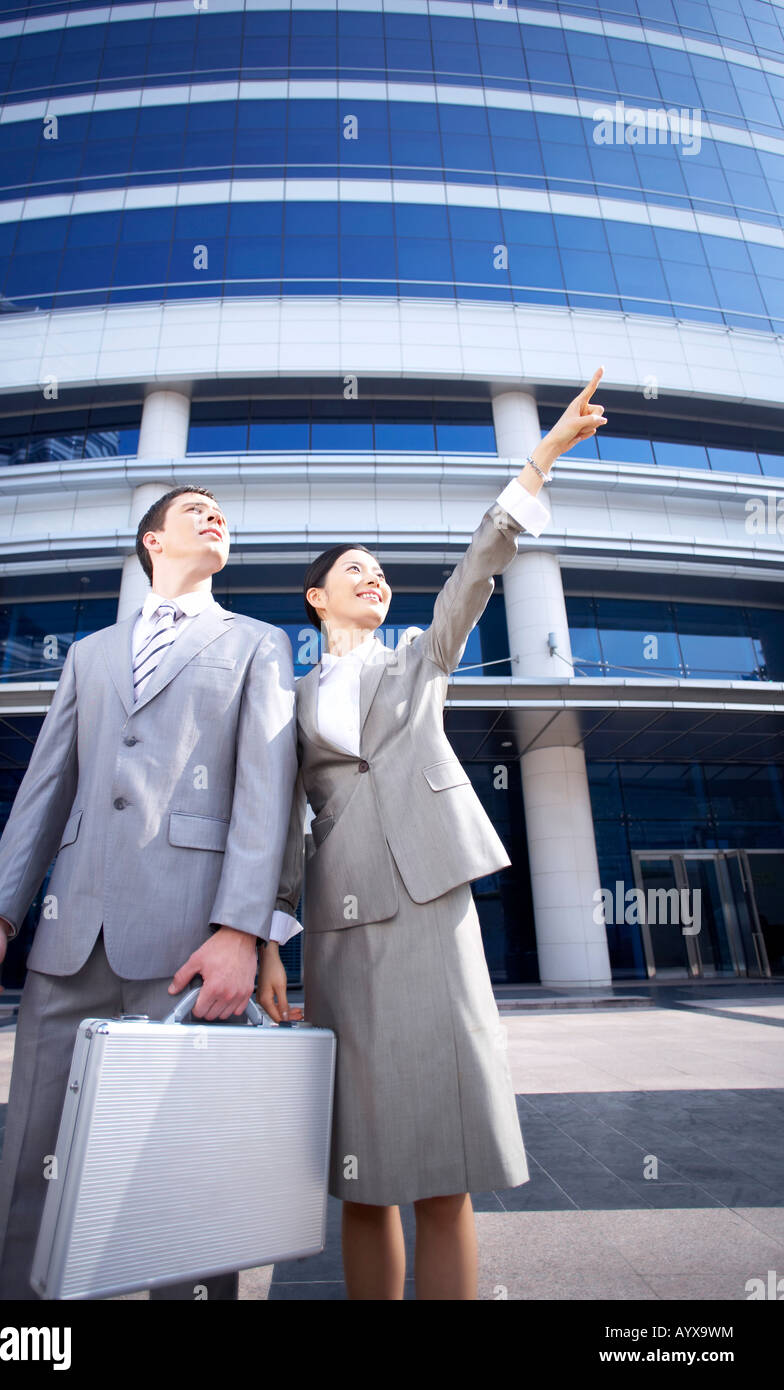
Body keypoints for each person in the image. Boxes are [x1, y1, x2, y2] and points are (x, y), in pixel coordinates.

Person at [257, 369, 608, 1300]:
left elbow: (477, 568)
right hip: (338, 931)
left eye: (379, 570)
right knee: (362, 1174)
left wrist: (540, 459)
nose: (373, 577)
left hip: (429, 907)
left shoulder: (419, 661)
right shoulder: (284, 703)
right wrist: (269, 942)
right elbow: (279, 828)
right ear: (316, 599)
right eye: (352, 571)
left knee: (446, 1164)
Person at [0, 485, 299, 1301]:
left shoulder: (258, 643)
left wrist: (242, 930)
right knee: (34, 1167)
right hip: (67, 951)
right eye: (197, 511)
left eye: (223, 515)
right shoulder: (88, 655)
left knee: (180, 1181)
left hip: (189, 952)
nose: (217, 518)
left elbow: (267, 794)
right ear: (151, 541)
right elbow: (42, 794)